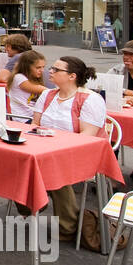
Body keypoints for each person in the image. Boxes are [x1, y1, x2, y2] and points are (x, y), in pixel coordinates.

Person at [31, 56, 107, 243]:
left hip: (81, 153)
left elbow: (87, 138)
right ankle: (31, 204)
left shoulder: (91, 99)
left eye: (56, 70)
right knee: (20, 162)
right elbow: (35, 123)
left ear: (72, 76)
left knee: (55, 171)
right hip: (46, 148)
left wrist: (56, 150)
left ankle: (68, 226)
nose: (51, 71)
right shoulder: (48, 95)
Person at [7, 50, 47, 122]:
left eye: (43, 67)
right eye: (38, 67)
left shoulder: (34, 78)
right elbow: (41, 89)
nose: (42, 70)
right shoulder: (19, 77)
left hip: (32, 116)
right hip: (23, 119)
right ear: (27, 67)